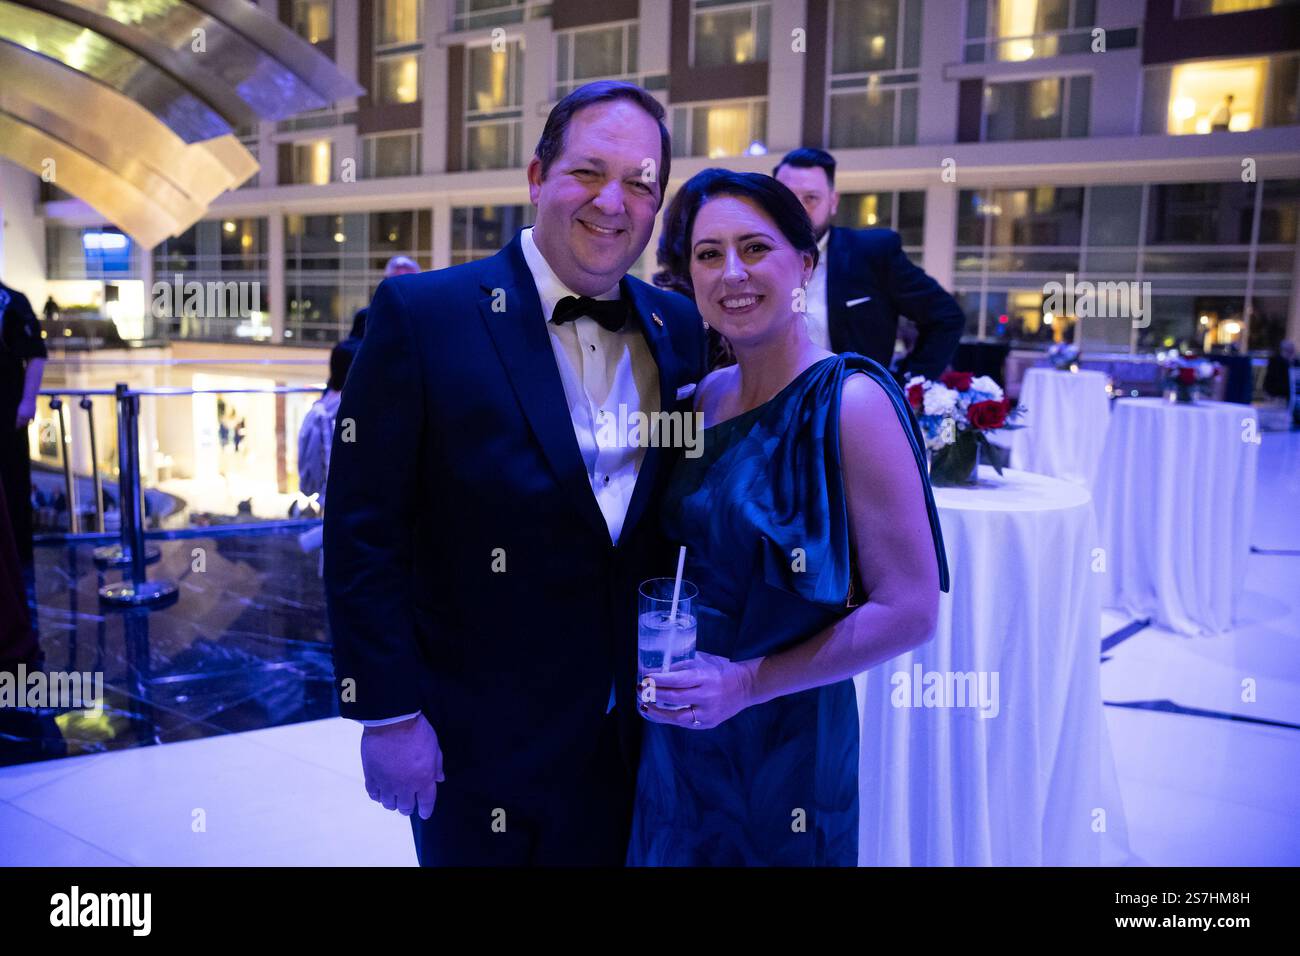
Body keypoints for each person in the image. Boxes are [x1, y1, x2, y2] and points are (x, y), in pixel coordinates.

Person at [324, 81, 707, 866]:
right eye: (588, 172)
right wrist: (388, 716)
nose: (613, 201)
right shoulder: (424, 316)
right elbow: (364, 530)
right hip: (473, 740)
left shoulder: (679, 328)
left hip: (630, 738)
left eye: (640, 183)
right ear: (537, 178)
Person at [629, 169, 949, 865]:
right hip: (679, 728)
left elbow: (912, 610)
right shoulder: (701, 397)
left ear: (804, 262)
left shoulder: (852, 402)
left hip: (786, 741)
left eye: (754, 248)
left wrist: (746, 682)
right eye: (708, 254)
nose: (731, 273)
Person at [768, 148, 964, 382]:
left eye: (810, 198)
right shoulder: (751, 258)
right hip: (769, 407)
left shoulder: (872, 252)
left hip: (850, 409)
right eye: (787, 198)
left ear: (832, 201)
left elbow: (946, 317)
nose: (797, 209)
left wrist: (904, 387)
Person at [0, 280, 47, 569]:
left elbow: (36, 355)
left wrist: (28, 402)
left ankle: (18, 559)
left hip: (7, 411)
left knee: (13, 484)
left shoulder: (11, 301)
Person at [297, 339, 358, 511]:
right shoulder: (346, 407)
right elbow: (349, 445)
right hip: (342, 493)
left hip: (327, 489)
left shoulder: (324, 401)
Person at [347, 256, 422, 341]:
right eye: (397, 282)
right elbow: (352, 349)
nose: (402, 288)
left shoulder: (423, 317)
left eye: (408, 282)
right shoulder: (366, 316)